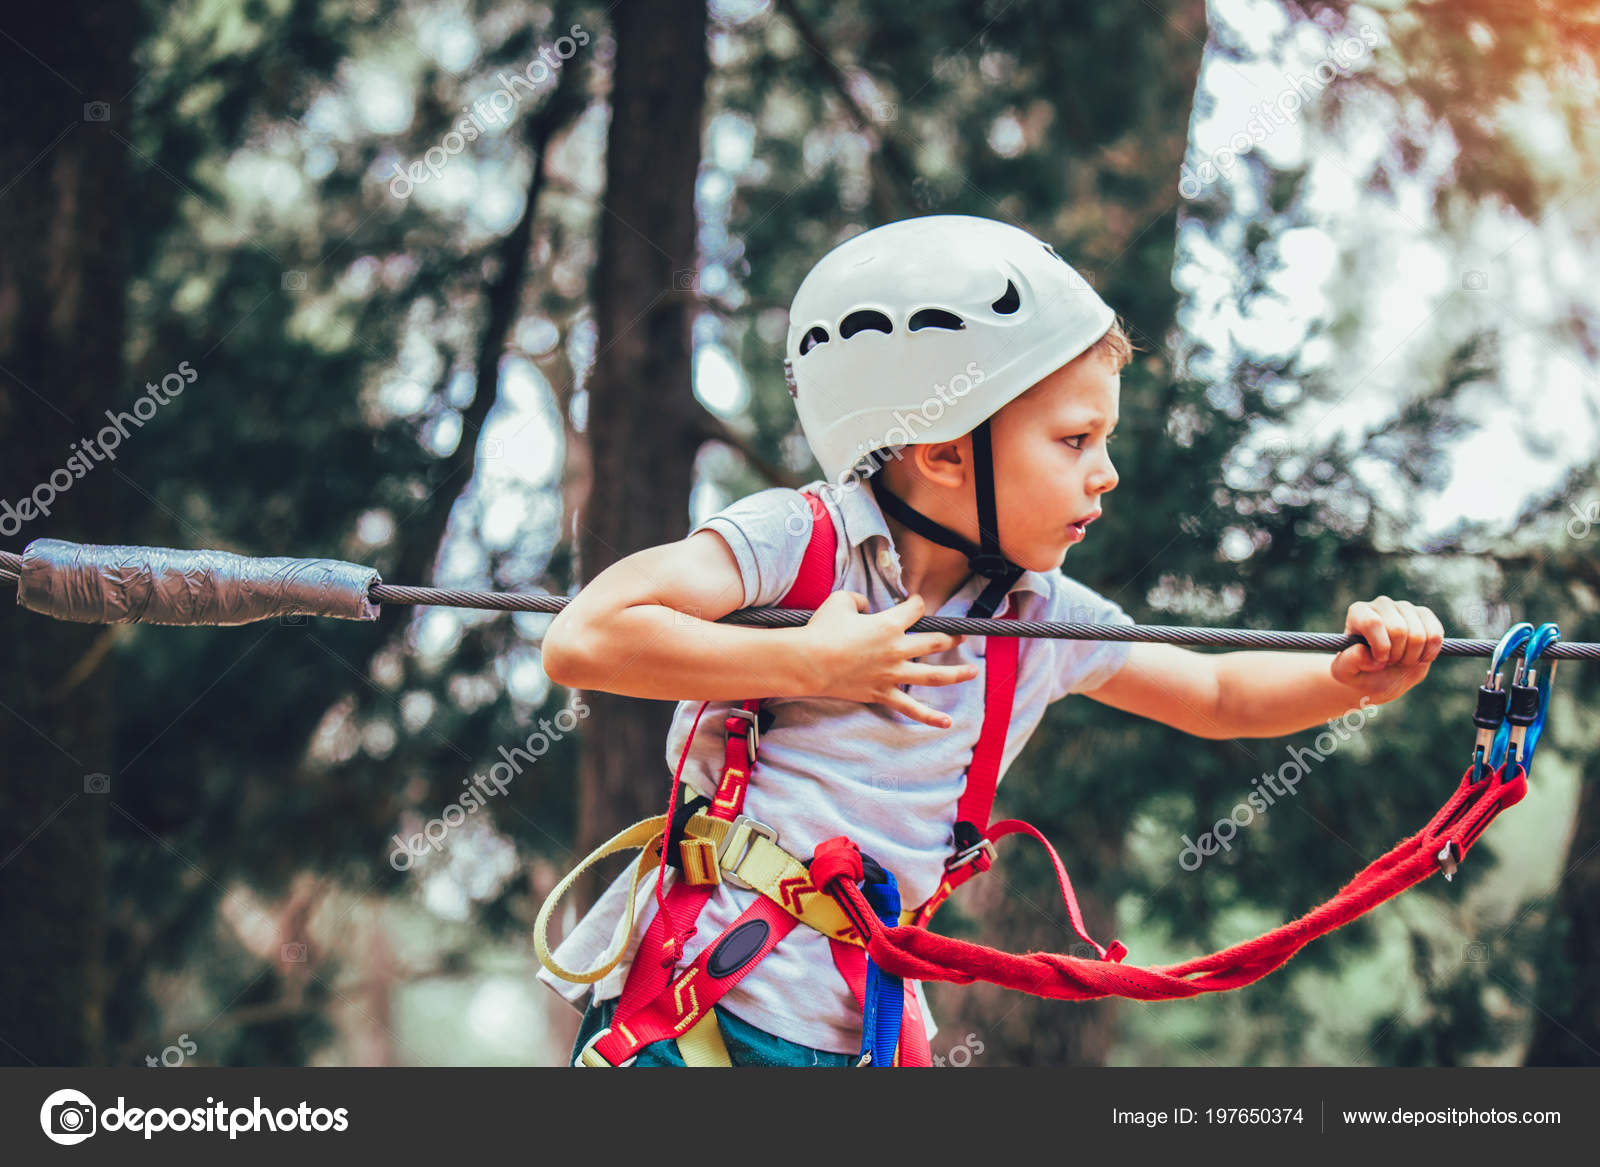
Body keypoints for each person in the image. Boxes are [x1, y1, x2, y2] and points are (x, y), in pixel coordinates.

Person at [536, 214, 1444, 1067]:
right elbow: (586, 636)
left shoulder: (1035, 616)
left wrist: (1354, 677)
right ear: (942, 452)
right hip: (695, 1010)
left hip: (864, 1035)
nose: (1107, 472)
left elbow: (1216, 695)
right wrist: (807, 660)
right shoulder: (798, 544)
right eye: (1075, 439)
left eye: (1104, 439)